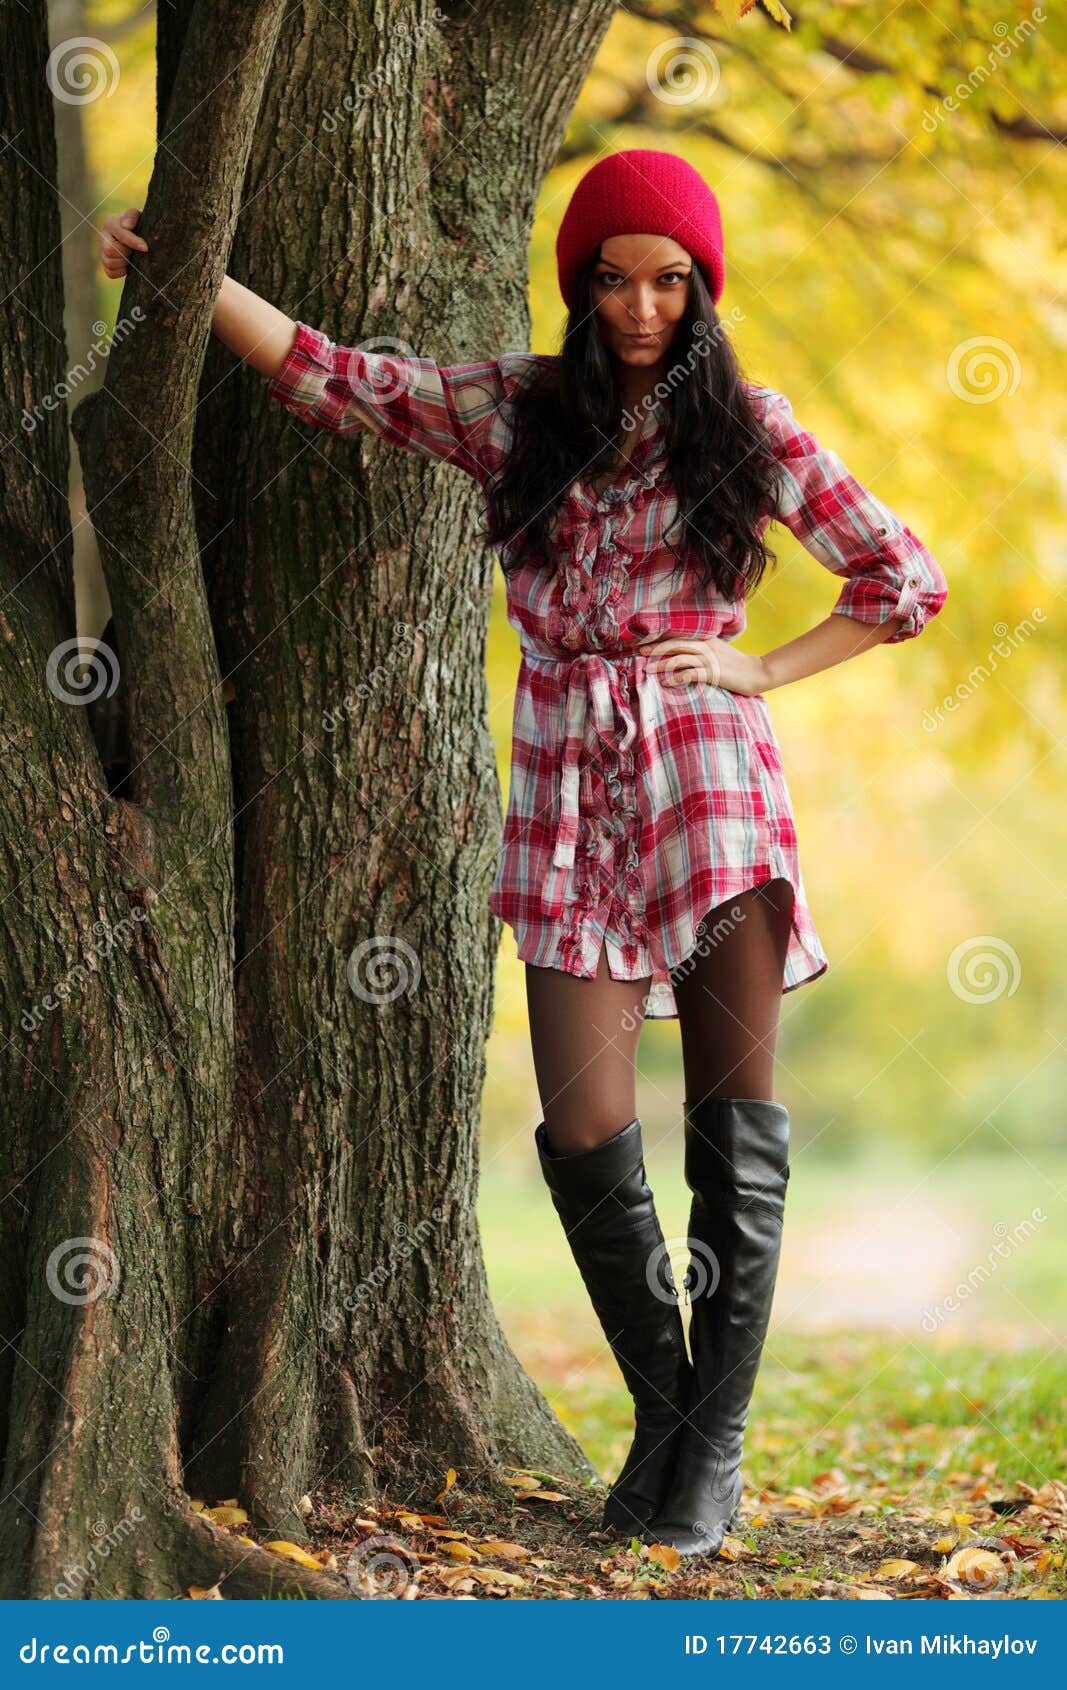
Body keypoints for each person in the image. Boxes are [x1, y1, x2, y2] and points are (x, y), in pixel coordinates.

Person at [99, 147, 948, 1557]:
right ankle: (670, 1418)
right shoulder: (516, 409)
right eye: (614, 280)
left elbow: (903, 577)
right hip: (565, 785)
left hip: (709, 781)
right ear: (579, 284)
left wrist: (761, 670)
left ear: (703, 291)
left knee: (732, 1130)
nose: (641, 309)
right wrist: (185, 267)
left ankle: (710, 1454)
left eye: (669, 283)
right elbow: (337, 379)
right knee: (583, 1123)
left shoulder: (750, 426)